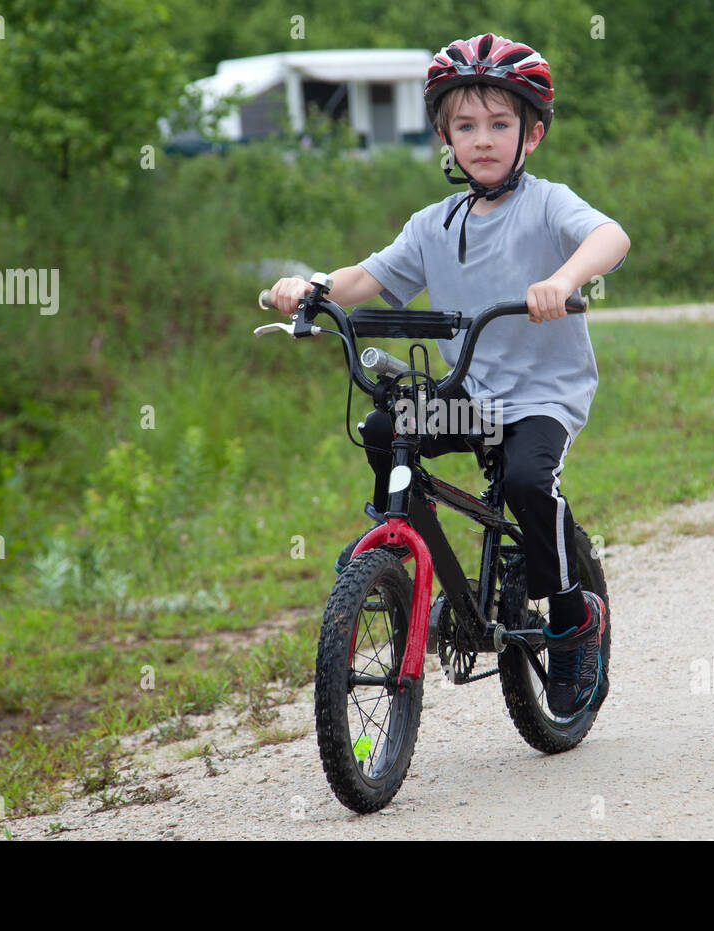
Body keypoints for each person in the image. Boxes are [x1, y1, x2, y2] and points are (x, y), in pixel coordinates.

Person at [265, 33, 630, 716]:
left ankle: (574, 615)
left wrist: (562, 278)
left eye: (500, 124)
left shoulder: (547, 204)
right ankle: (396, 541)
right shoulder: (435, 224)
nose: (482, 139)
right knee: (385, 423)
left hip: (540, 396)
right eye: (466, 125)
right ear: (445, 135)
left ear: (533, 134)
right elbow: (368, 277)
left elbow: (611, 236)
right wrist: (312, 287)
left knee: (526, 480)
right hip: (475, 392)